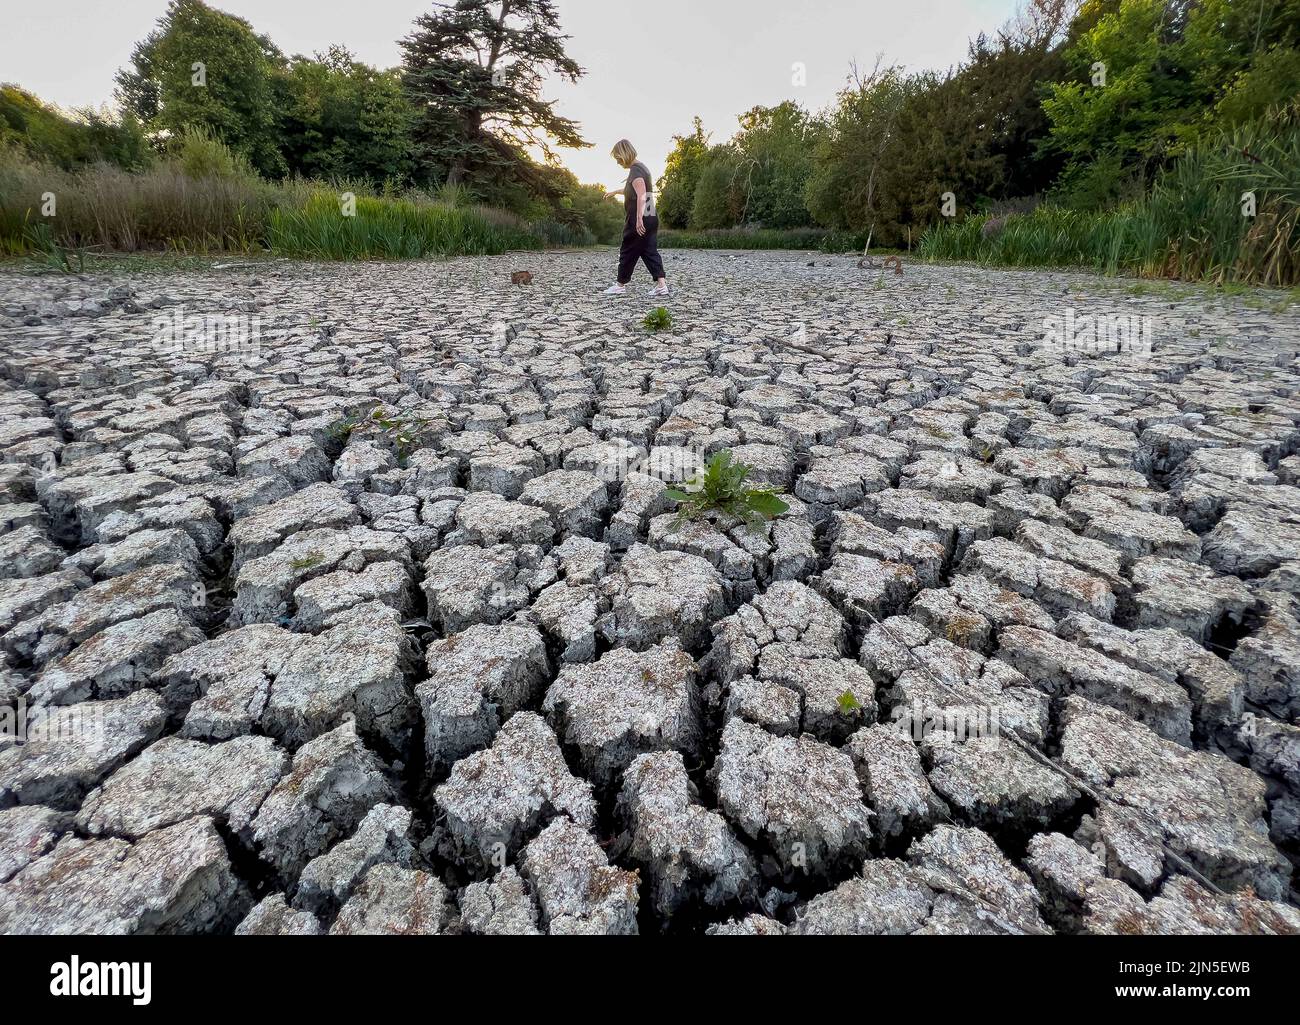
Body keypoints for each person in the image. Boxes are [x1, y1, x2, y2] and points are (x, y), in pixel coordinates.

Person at [604, 140, 669, 297]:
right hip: (651, 215)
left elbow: (641, 195)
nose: (619, 163)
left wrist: (639, 219)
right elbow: (634, 189)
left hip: (640, 218)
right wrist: (615, 192)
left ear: (624, 155)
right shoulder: (642, 168)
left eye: (618, 159)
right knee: (648, 250)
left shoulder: (636, 171)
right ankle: (661, 285)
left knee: (627, 250)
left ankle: (620, 285)